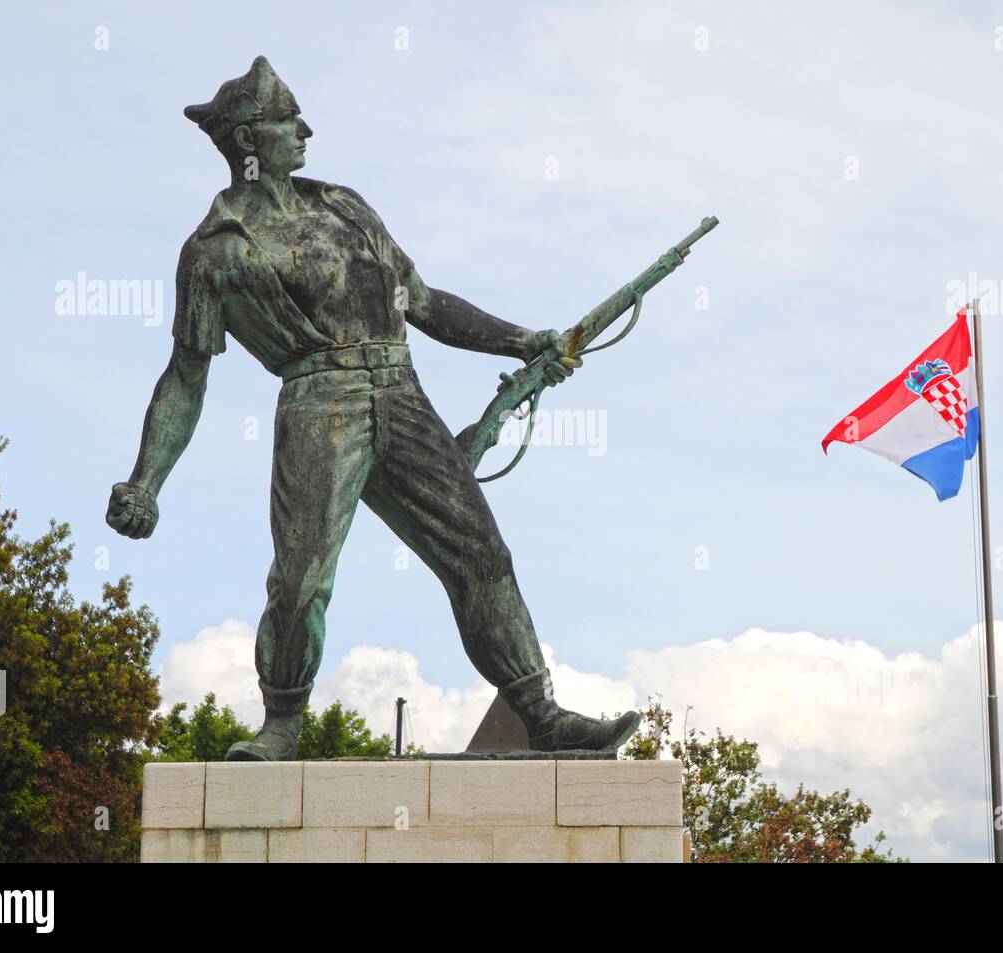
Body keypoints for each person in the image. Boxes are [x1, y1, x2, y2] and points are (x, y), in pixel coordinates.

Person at [106, 56, 639, 761]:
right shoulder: (213, 253)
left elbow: (423, 303)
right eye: (287, 119)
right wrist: (146, 481)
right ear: (247, 142)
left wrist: (524, 341)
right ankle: (282, 725)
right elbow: (186, 375)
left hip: (402, 392)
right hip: (318, 402)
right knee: (300, 581)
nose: (305, 130)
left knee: (482, 554)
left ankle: (540, 713)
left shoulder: (346, 205)